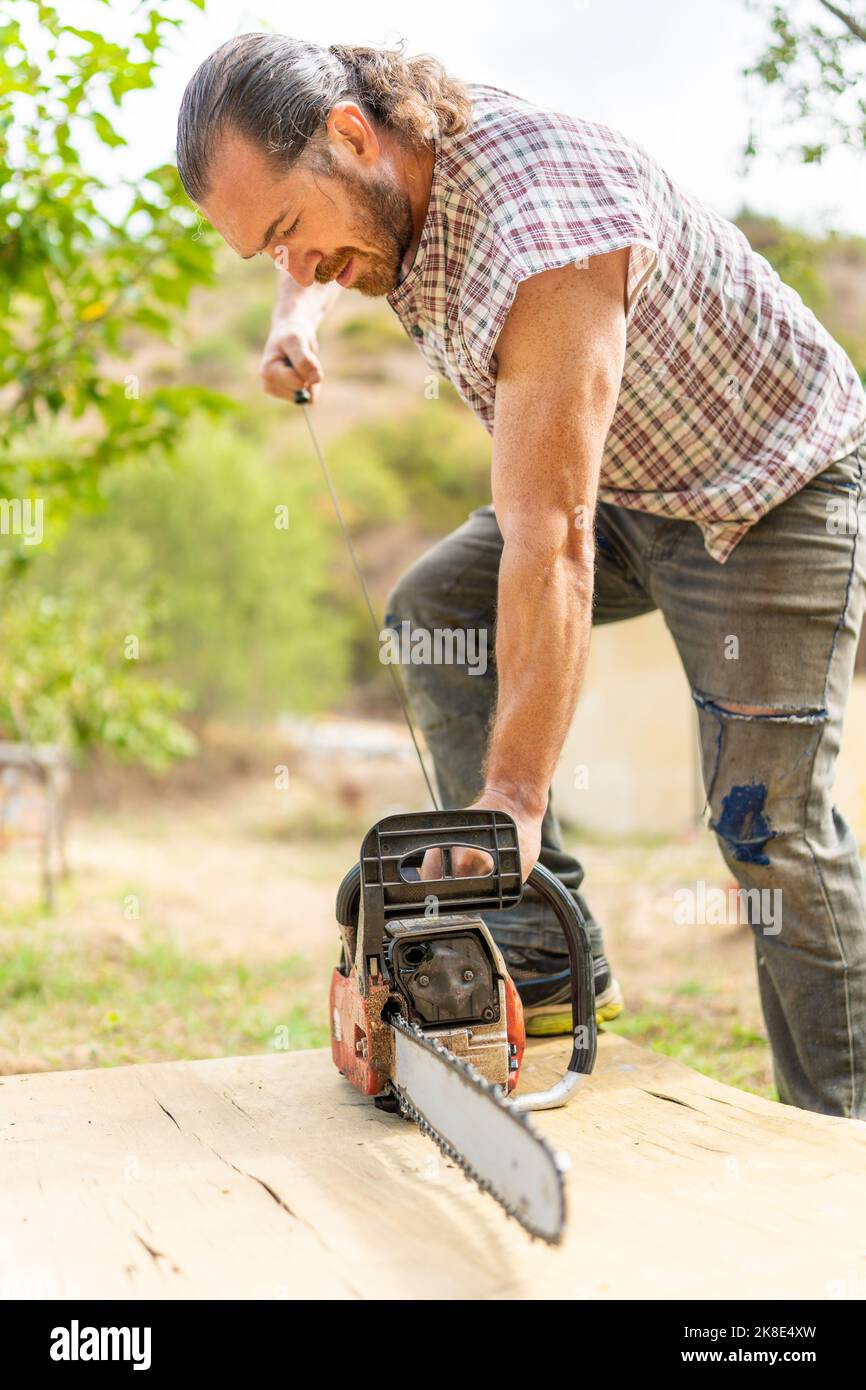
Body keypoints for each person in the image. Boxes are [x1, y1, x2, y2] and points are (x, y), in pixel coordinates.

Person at [177, 34, 866, 1118]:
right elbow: (298, 233)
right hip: (630, 474)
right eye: (268, 246)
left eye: (289, 238)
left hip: (764, 487)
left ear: (352, 136)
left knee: (763, 828)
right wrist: (291, 316)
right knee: (432, 611)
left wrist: (510, 798)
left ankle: (843, 1138)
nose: (297, 261)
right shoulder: (376, 174)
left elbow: (550, 540)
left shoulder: (538, 230)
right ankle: (559, 950)